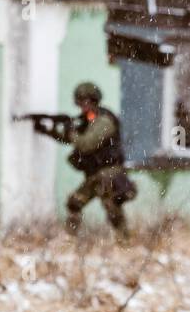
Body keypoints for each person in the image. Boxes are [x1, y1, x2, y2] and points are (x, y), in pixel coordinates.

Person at [32, 81, 133, 236]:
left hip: (109, 174)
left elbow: (86, 144)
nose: (82, 106)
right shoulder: (88, 120)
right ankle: (69, 238)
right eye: (80, 102)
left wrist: (70, 130)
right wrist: (49, 131)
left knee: (112, 208)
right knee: (74, 203)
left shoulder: (104, 121)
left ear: (94, 101)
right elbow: (72, 139)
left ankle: (125, 243)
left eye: (85, 102)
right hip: (96, 174)